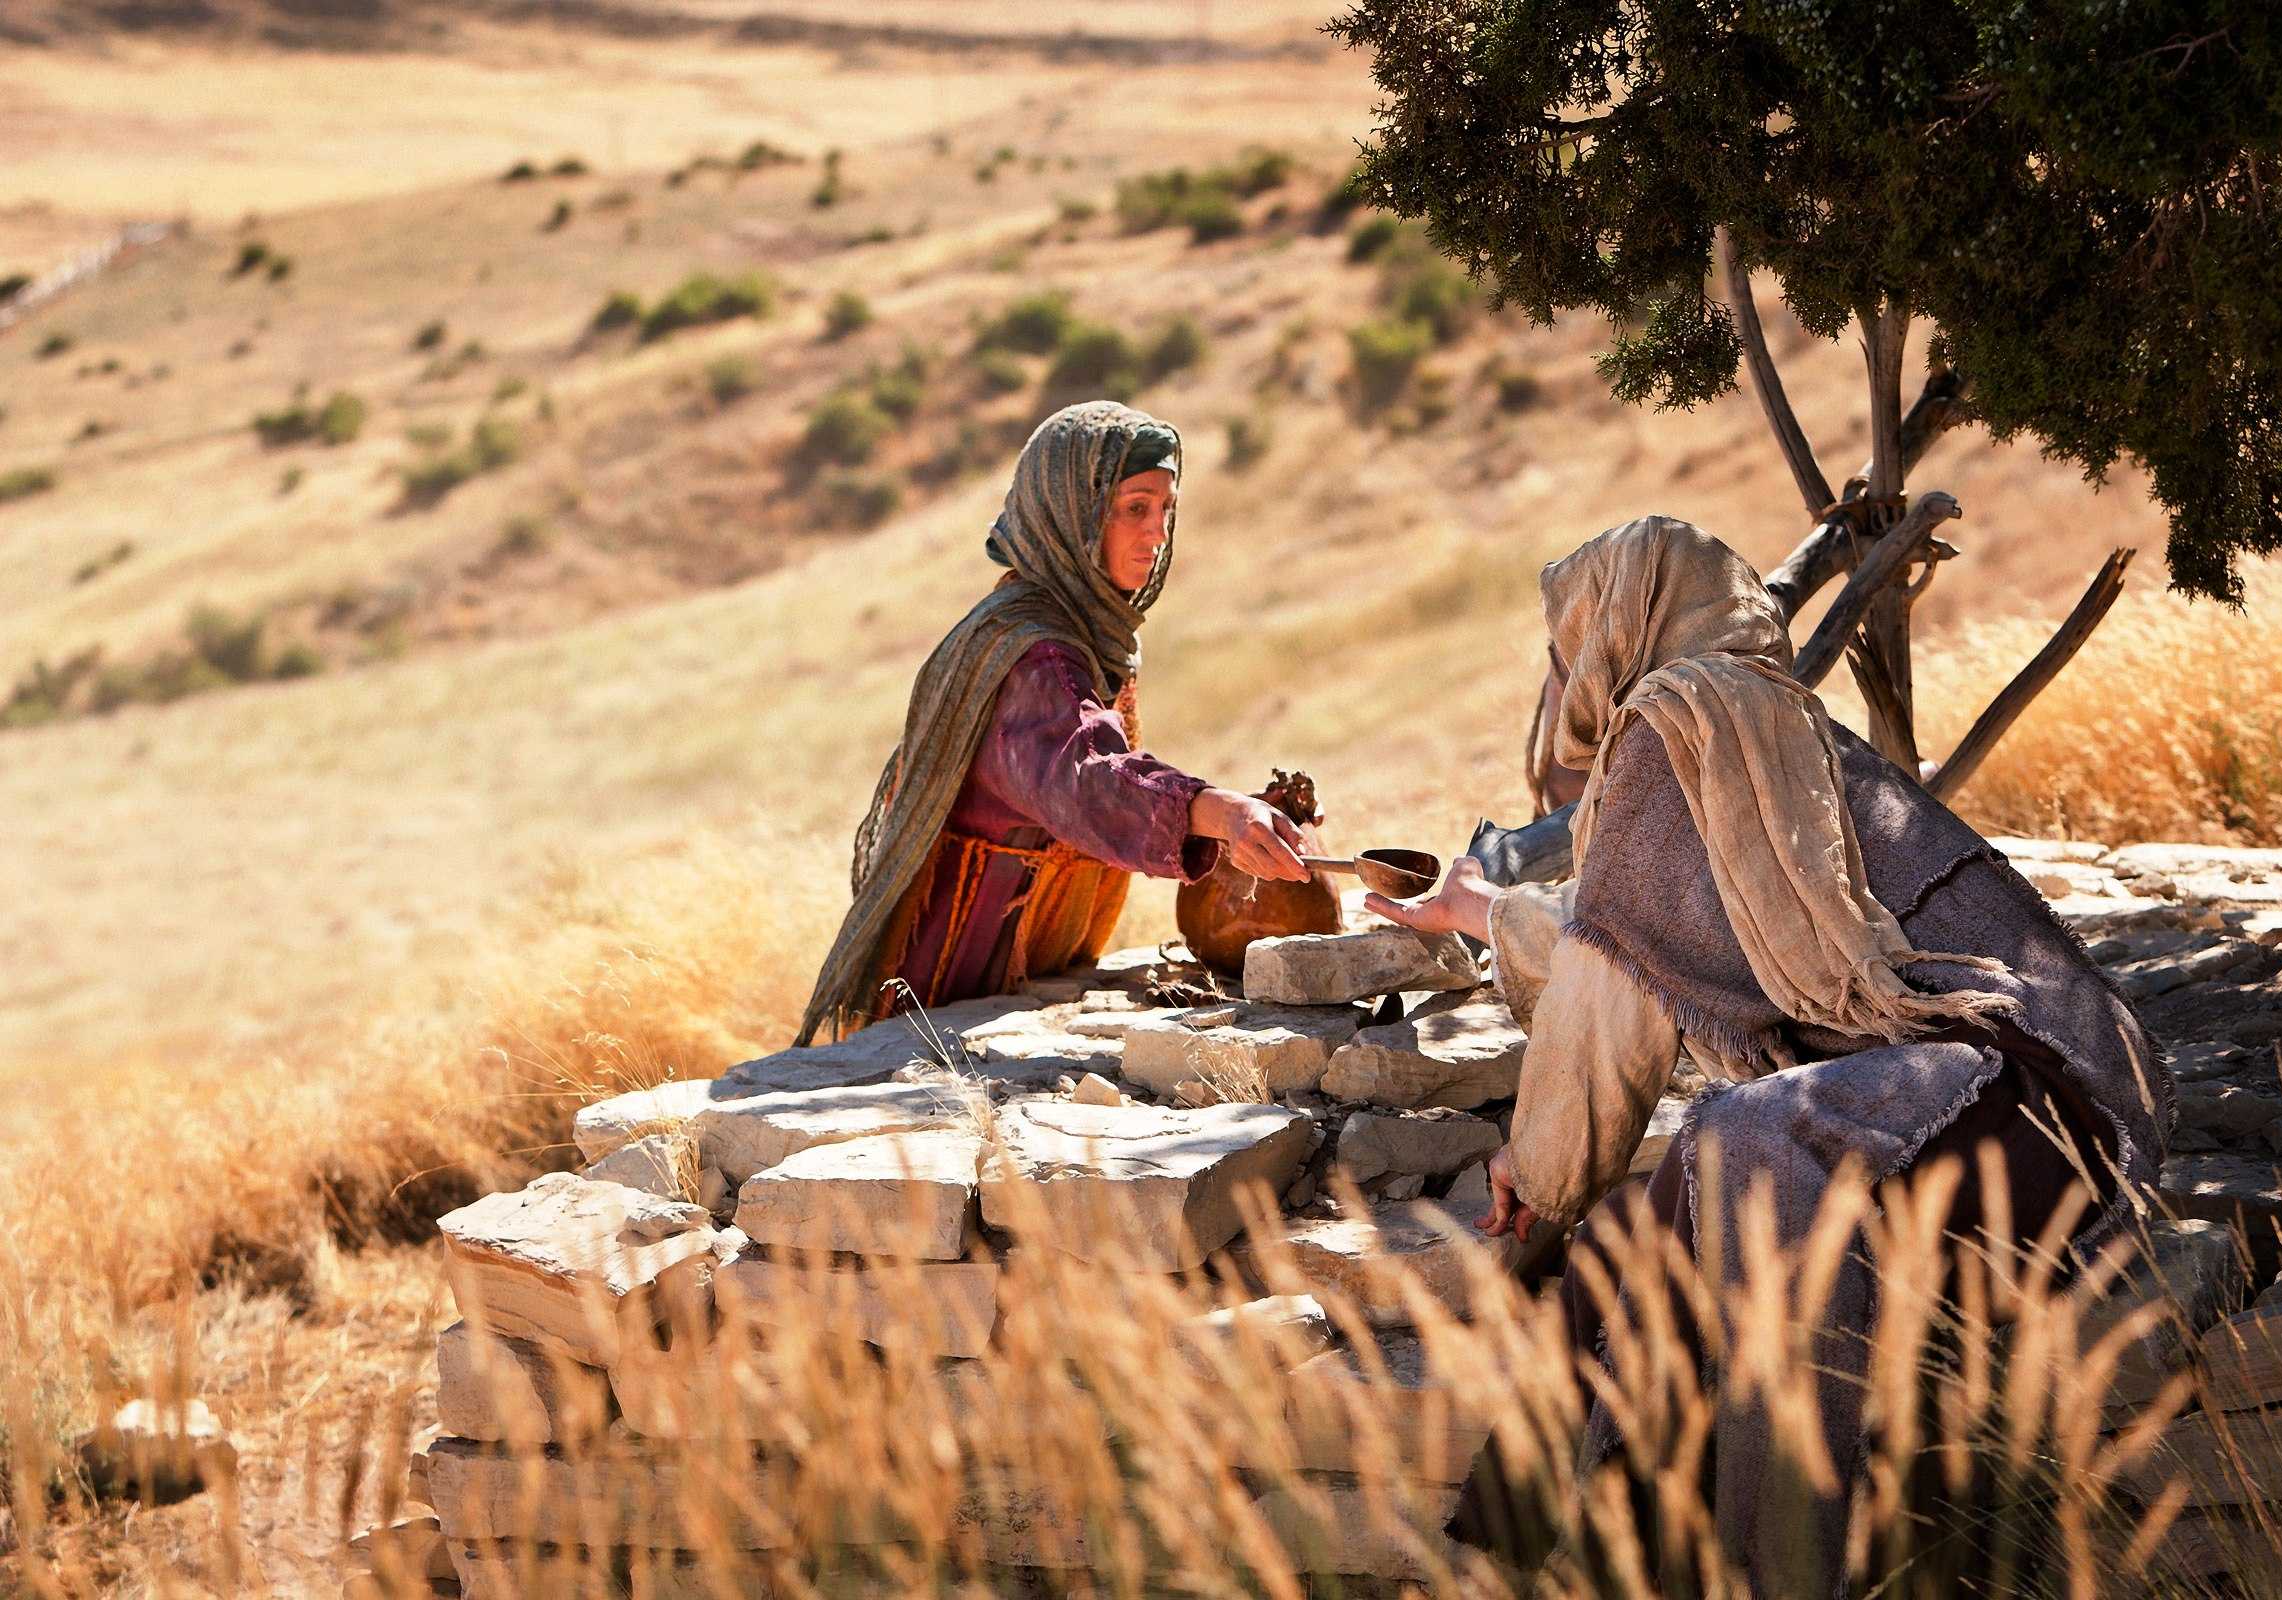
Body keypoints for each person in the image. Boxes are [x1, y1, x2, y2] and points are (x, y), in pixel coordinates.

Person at [1367, 515, 2170, 1594]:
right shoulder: (1762, 726)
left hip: (2028, 1093)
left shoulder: (1678, 718)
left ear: (1614, 631)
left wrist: (1540, 1165)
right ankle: (1533, 1553)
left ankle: (1777, 1563)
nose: (1561, 675)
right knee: (1634, 1232)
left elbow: (1613, 990)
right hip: (2030, 1095)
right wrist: (1482, 913)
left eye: (1565, 646)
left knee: (1739, 1137)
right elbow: (1647, 943)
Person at [798, 401, 1309, 1044]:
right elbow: (1087, 777)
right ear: (1070, 510)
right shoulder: (1034, 655)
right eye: (1133, 508)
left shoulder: (1080, 634)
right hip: (949, 995)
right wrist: (1218, 812)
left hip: (1018, 980)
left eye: (1165, 509)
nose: (1156, 534)